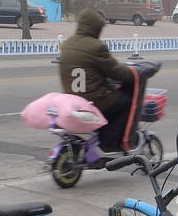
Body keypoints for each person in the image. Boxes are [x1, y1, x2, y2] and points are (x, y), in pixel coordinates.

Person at [58, 8, 137, 153]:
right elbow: (116, 72)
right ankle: (110, 143)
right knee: (126, 104)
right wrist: (133, 73)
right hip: (93, 99)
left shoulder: (68, 44)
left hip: (72, 98)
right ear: (95, 28)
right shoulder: (96, 46)